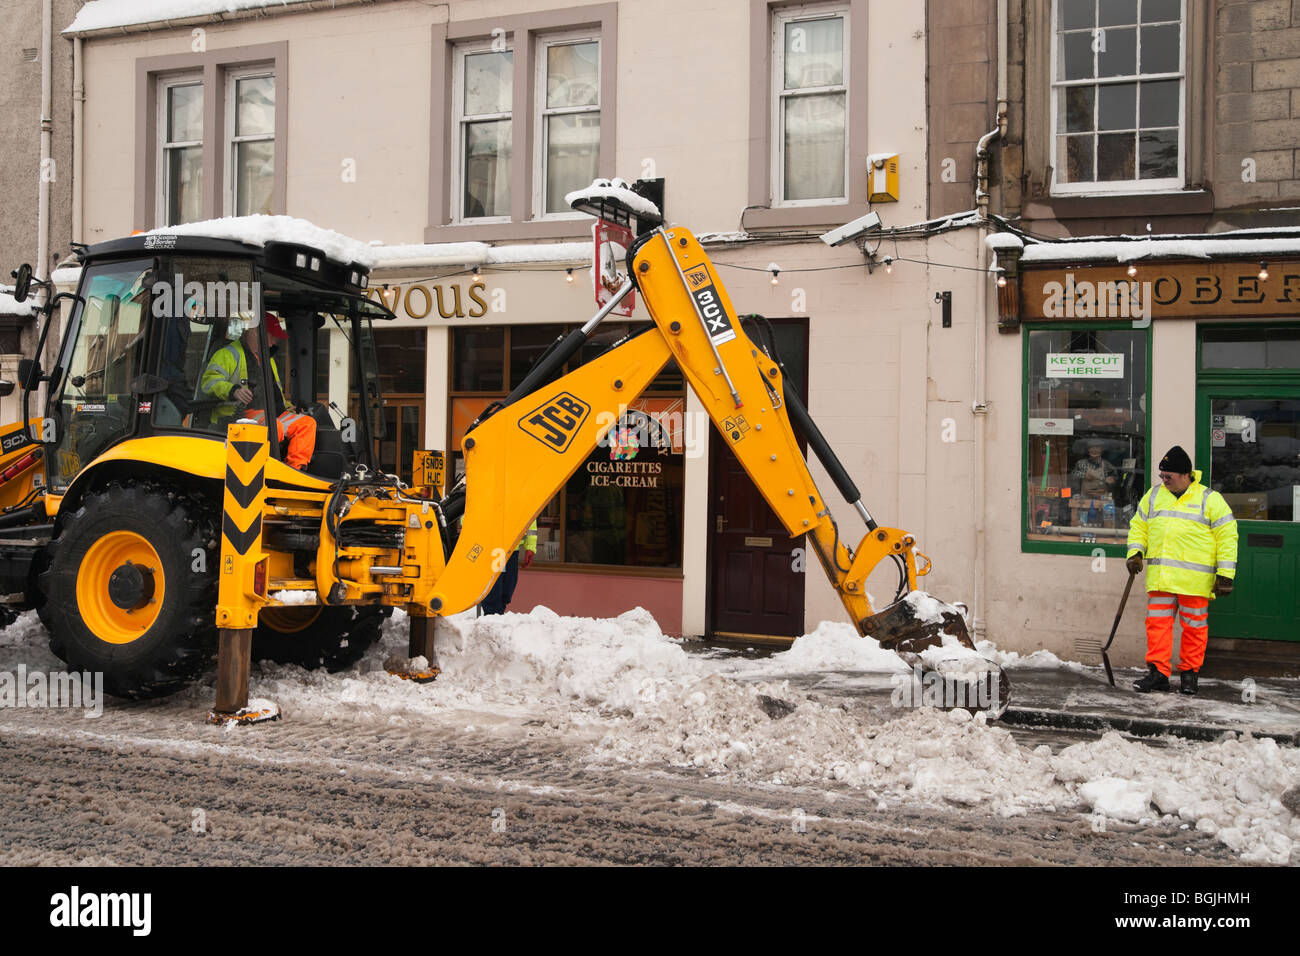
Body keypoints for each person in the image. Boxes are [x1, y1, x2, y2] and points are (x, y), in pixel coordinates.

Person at [1126, 445, 1238, 695]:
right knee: (1157, 626)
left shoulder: (1210, 499)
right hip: (1162, 579)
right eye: (1161, 475)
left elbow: (1228, 537)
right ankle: (1158, 673)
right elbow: (1139, 527)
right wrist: (1135, 553)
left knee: (1194, 629)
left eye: (1169, 476)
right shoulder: (1154, 495)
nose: (1164, 480)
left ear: (1185, 474)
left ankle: (1189, 674)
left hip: (1194, 582)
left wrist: (1225, 574)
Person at [200, 313, 317, 470]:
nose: (274, 342)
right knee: (275, 427)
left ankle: (296, 470)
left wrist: (290, 408)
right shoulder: (227, 354)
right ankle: (267, 470)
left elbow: (275, 394)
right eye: (272, 337)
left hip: (270, 413)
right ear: (256, 332)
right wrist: (233, 391)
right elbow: (208, 383)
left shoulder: (268, 360)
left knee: (307, 424)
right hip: (238, 415)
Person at [480, 520, 538, 615]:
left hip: (512, 548)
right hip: (494, 548)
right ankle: (492, 616)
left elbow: (530, 519)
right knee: (494, 590)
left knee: (507, 588)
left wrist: (530, 546)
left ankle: (496, 614)